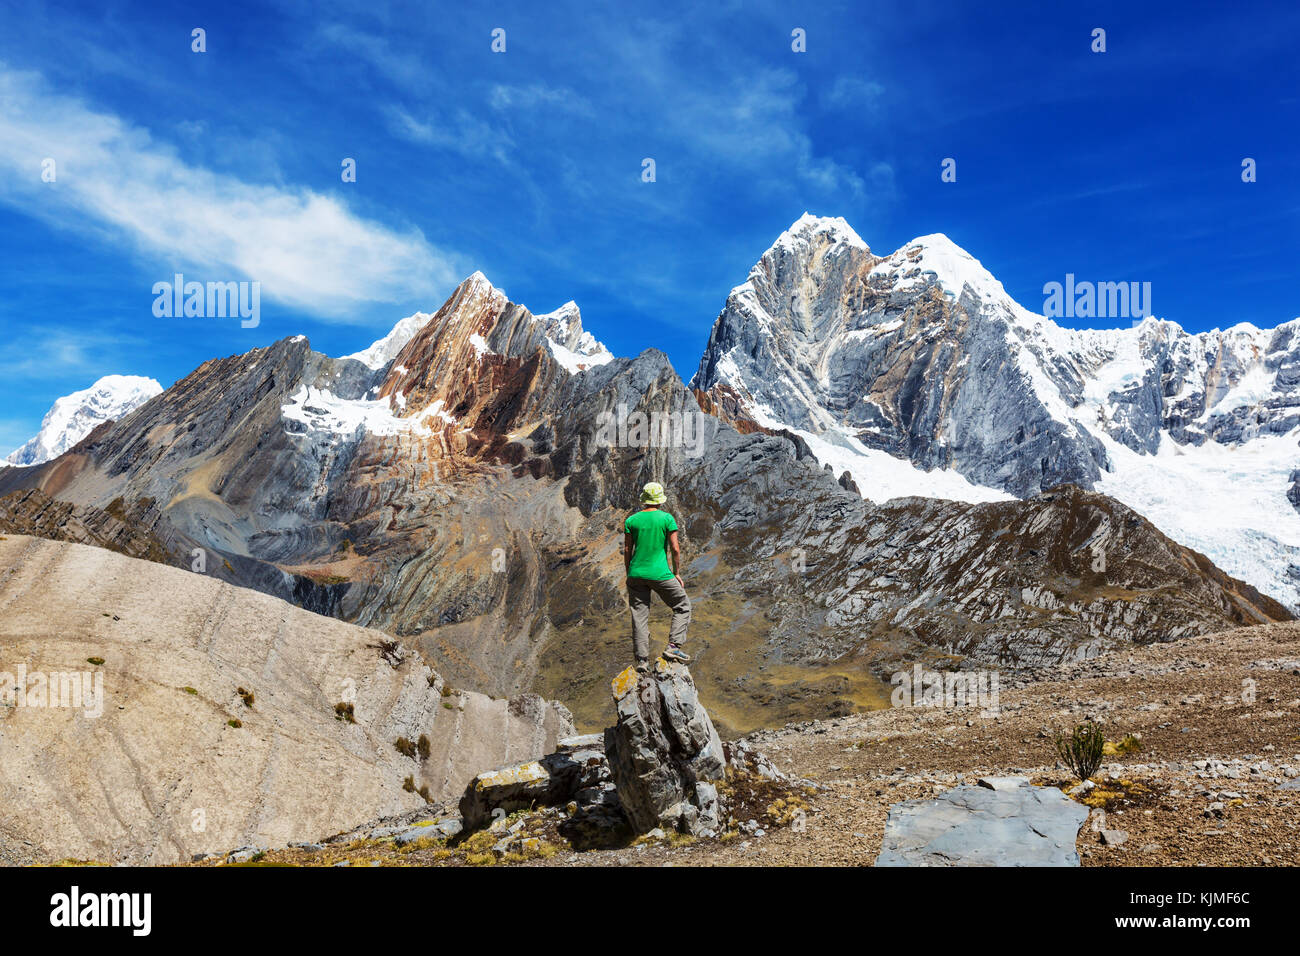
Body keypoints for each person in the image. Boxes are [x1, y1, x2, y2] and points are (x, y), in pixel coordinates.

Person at [623, 481, 691, 671]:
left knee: (639, 617)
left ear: (644, 500)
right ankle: (673, 647)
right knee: (682, 605)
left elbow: (627, 549)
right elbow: (675, 548)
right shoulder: (666, 519)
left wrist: (629, 572)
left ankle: (642, 661)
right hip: (660, 573)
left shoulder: (631, 520)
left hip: (636, 573)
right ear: (660, 500)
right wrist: (676, 572)